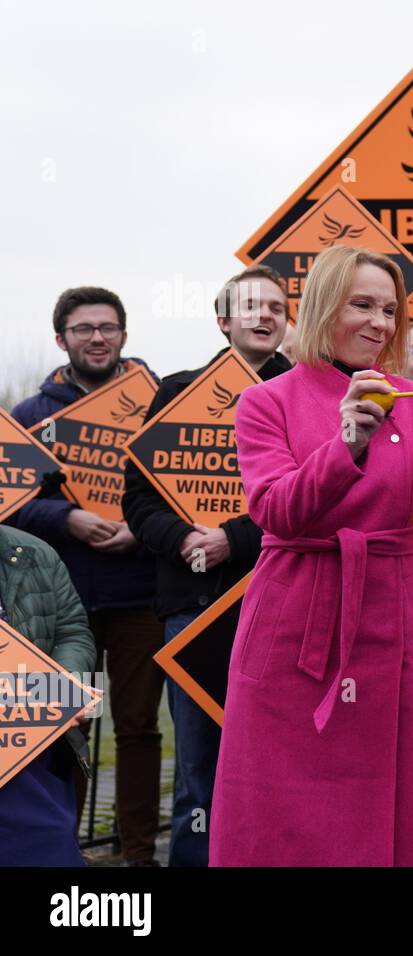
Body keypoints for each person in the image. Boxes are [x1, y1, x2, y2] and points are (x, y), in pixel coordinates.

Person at [209, 246, 413, 866]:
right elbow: (277, 512)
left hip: (393, 617)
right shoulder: (267, 400)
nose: (381, 323)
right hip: (294, 618)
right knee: (284, 801)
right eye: (362, 305)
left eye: (390, 309)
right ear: (322, 306)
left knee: (408, 793)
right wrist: (346, 445)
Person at [121, 265, 293, 866]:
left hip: (283, 603)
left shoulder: (307, 391)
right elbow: (138, 500)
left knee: (285, 761)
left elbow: (316, 495)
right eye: (251, 307)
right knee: (198, 766)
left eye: (276, 306)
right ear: (224, 321)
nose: (265, 316)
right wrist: (188, 541)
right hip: (191, 607)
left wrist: (232, 539)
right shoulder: (175, 391)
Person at [6, 286, 165, 866]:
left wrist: (140, 528)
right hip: (53, 604)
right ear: (61, 339)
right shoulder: (30, 415)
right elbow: (13, 504)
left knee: (139, 729)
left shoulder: (160, 403)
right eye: (82, 329)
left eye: (106, 327)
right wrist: (68, 517)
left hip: (141, 595)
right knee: (55, 730)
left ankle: (140, 855)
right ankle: (58, 851)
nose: (96, 337)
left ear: (124, 334)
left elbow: (186, 488)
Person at [0, 526, 96, 866]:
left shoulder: (34, 552)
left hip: (30, 747)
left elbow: (71, 631)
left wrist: (66, 684)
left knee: (50, 845)